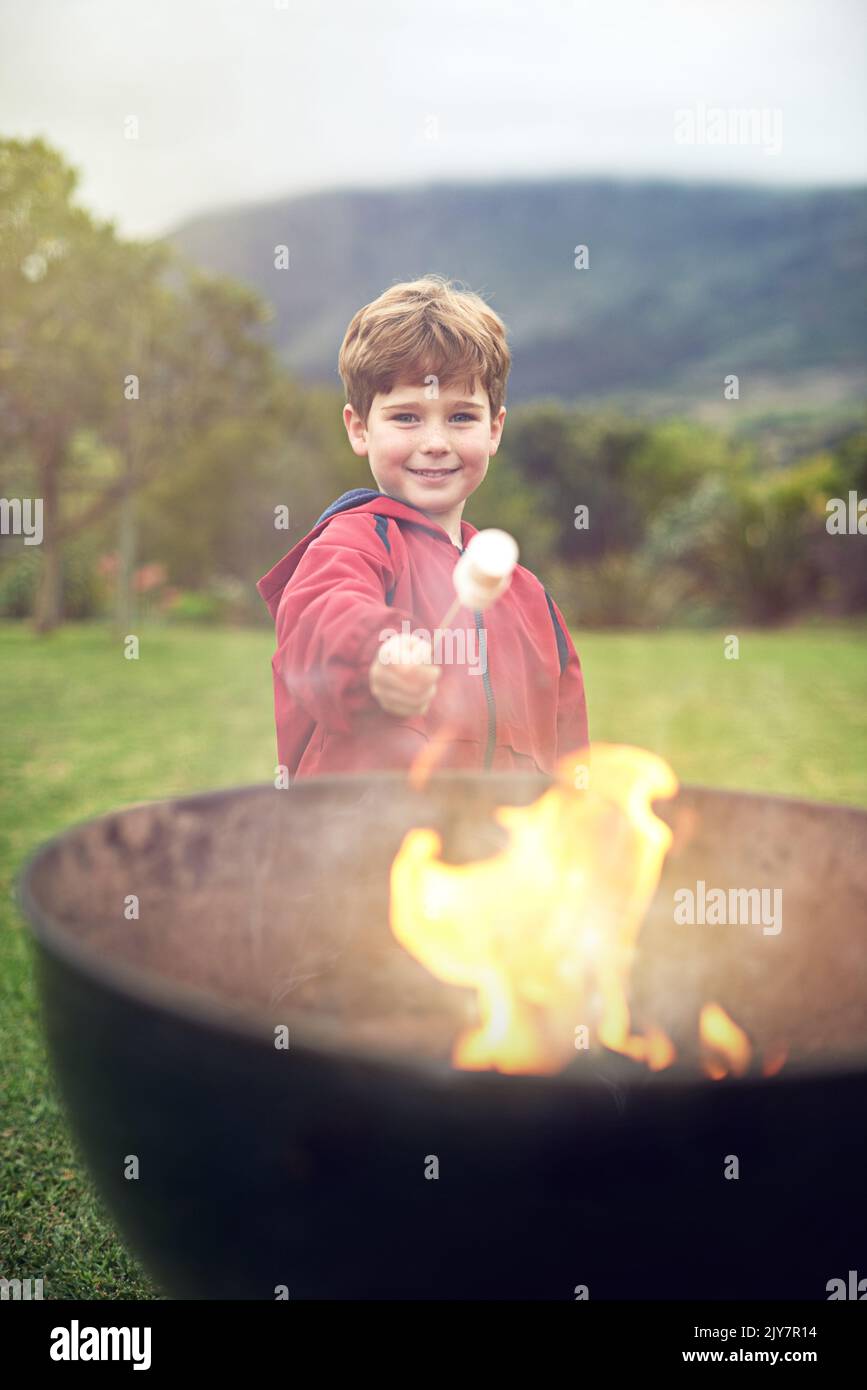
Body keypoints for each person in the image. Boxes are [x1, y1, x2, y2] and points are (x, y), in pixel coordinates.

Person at [257, 273, 589, 779]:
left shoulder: (529, 597)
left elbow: (567, 741)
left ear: (495, 428)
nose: (435, 441)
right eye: (407, 417)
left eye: (461, 417)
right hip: (363, 849)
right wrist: (377, 657)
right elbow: (318, 621)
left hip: (498, 853)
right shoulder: (352, 543)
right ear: (359, 428)